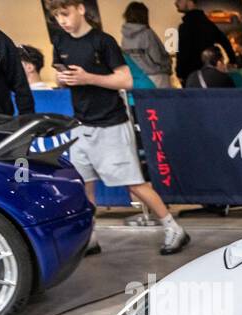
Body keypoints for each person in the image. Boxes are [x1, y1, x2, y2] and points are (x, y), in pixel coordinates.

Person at [48, 0, 190, 256]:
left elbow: (125, 80)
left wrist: (88, 78)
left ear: (80, 9)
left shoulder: (104, 41)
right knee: (84, 184)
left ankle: (172, 227)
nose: (62, 20)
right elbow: (62, 79)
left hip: (111, 123)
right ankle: (90, 236)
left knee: (133, 184)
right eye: (57, 16)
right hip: (81, 124)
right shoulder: (60, 41)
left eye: (65, 13)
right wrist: (63, 79)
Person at [173, 0, 228, 87]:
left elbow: (182, 52)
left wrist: (179, 72)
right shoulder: (208, 24)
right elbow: (225, 41)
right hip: (210, 74)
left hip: (191, 77)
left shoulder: (185, 27)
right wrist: (232, 61)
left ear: (190, 2)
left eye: (179, 0)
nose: (176, 3)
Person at [120, 2, 171, 88]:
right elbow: (157, 58)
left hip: (137, 79)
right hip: (156, 76)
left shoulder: (124, 37)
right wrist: (168, 64)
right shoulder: (147, 33)